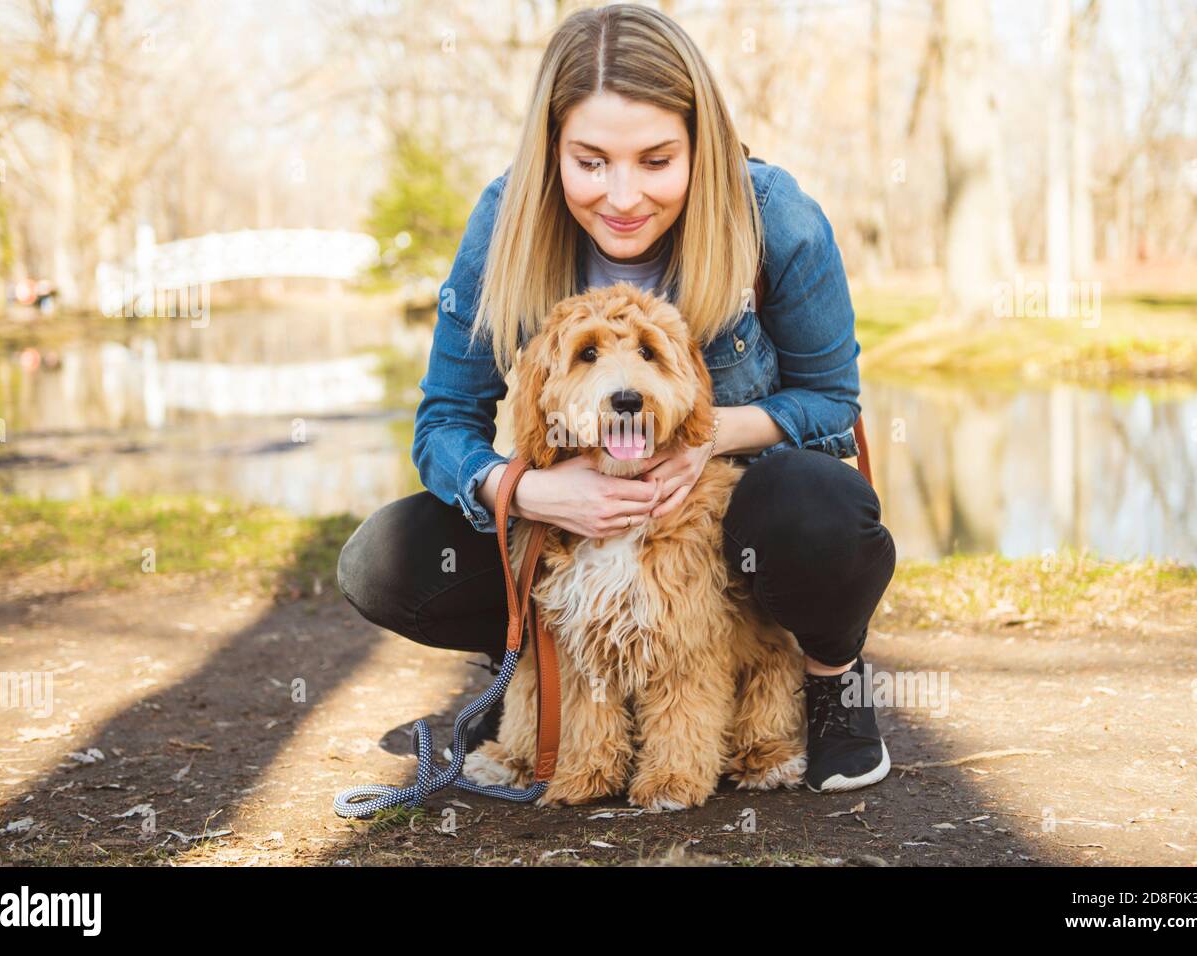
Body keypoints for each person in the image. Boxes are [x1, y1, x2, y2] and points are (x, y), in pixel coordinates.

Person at [337, 3, 897, 794]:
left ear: (699, 146)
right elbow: (445, 424)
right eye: (591, 161)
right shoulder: (504, 223)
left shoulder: (775, 217)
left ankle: (829, 674)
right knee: (385, 561)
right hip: (562, 516)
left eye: (656, 160)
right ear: (552, 151)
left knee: (815, 505)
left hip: (724, 514)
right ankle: (550, 669)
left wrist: (706, 436)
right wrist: (529, 489)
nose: (623, 196)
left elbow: (833, 402)